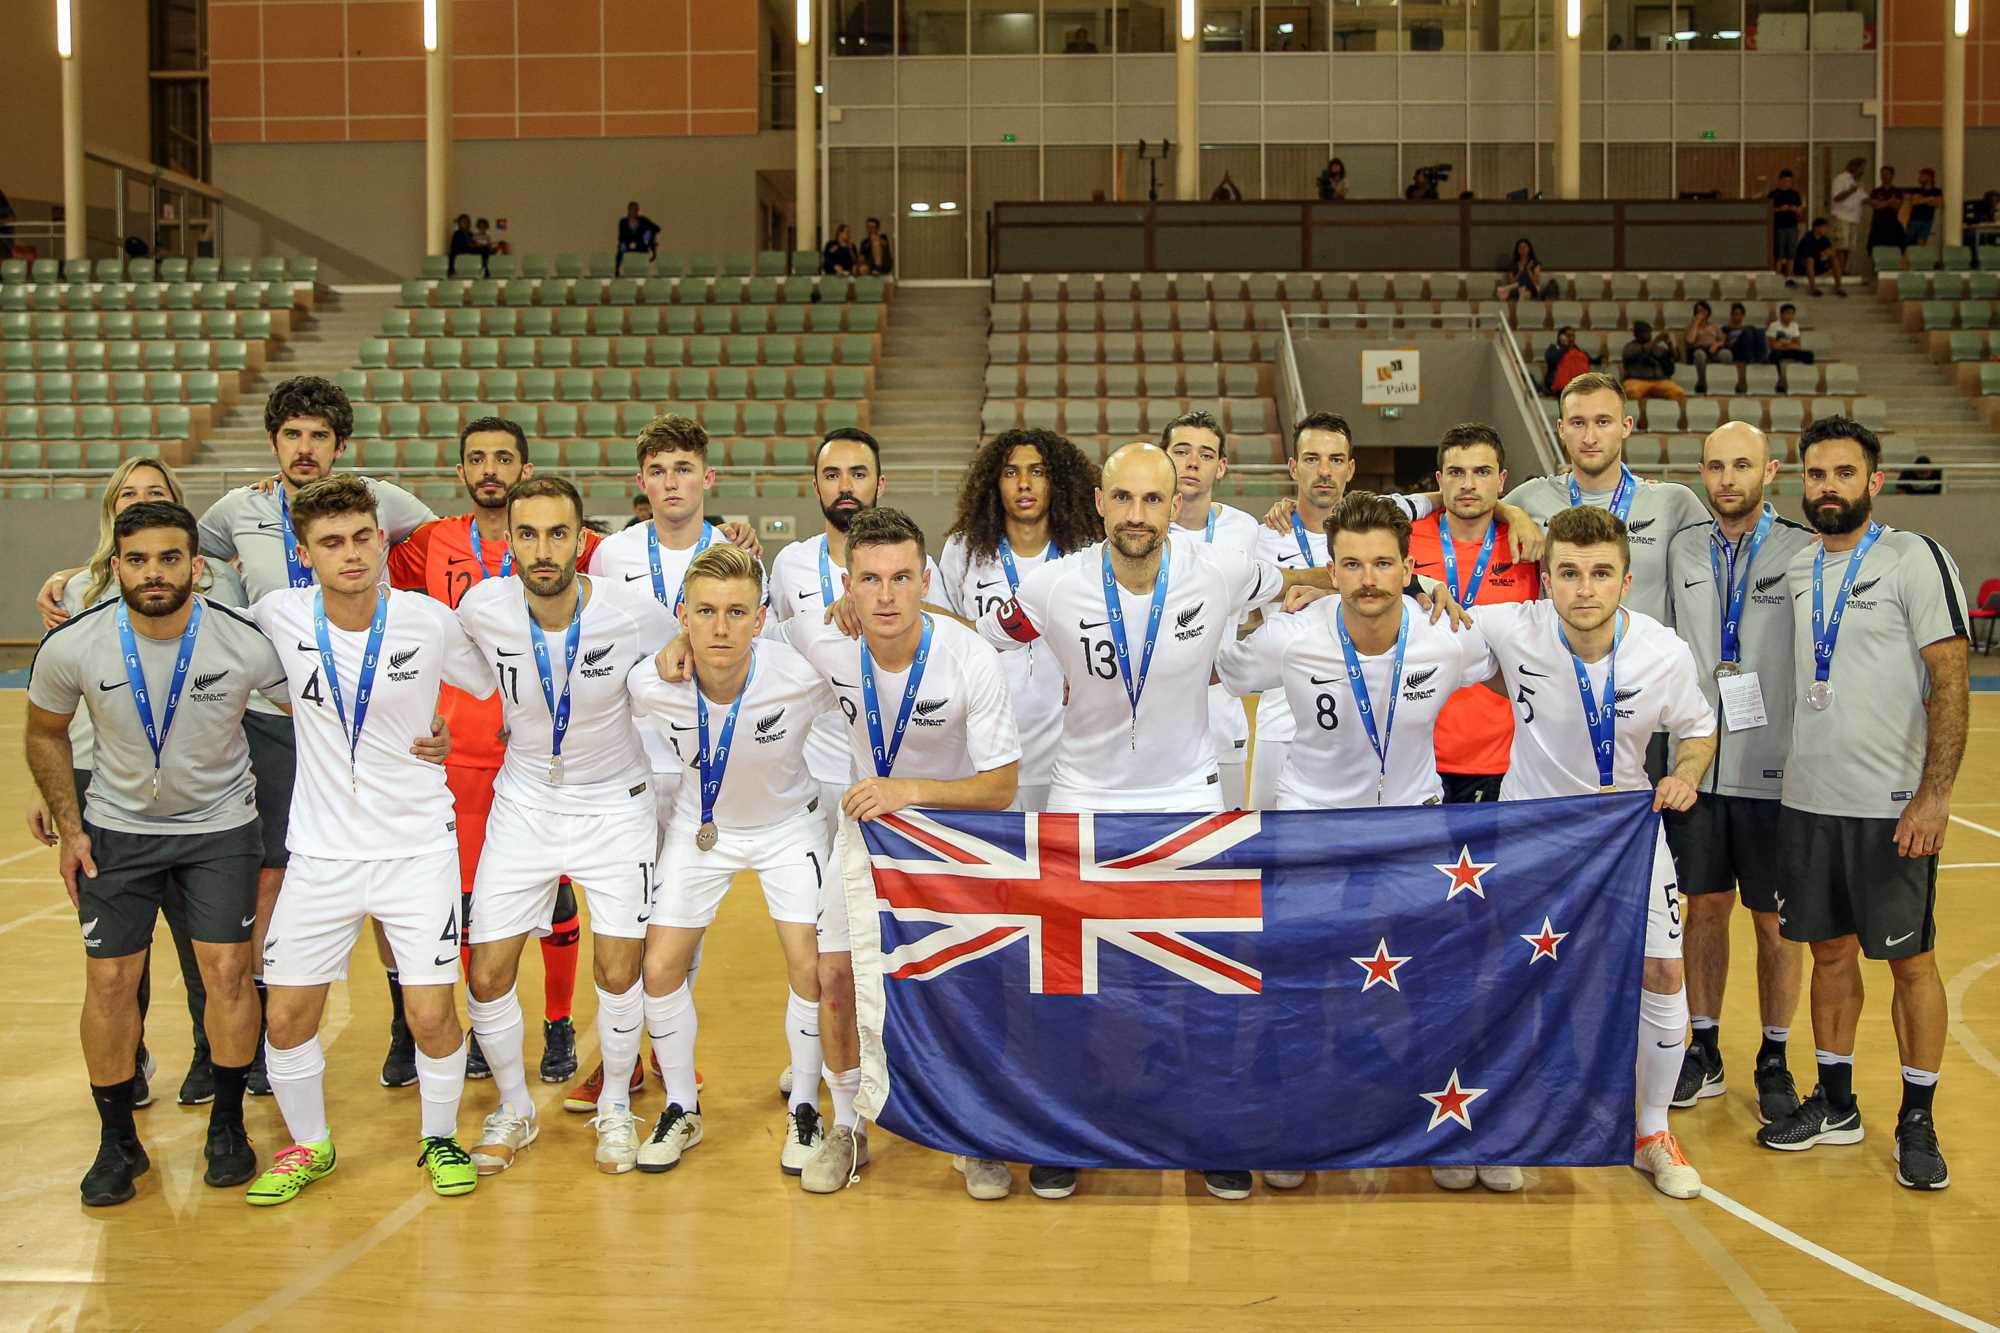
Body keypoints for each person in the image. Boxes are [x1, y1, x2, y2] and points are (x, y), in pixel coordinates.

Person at [34, 378, 445, 1092]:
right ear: (274, 442)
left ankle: (406, 1027)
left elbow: (438, 551)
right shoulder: (237, 510)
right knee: (260, 877)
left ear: (341, 446)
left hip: (341, 711)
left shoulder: (382, 501)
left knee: (382, 864)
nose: (306, 448)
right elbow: (161, 555)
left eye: (320, 436)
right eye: (293, 435)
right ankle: (238, 1040)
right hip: (253, 715)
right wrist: (78, 573)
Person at [974, 443, 1292, 1202]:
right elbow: (988, 633)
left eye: (1155, 500)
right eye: (1123, 500)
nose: (1139, 516)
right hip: (1083, 793)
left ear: (1177, 501)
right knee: (1073, 978)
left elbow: (1288, 585)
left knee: (1203, 972)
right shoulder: (1052, 585)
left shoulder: (1218, 567)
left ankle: (1209, 1132)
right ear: (1100, 501)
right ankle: (1064, 1133)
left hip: (1188, 793)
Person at [1220, 490, 1509, 1193]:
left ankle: (1450, 1129)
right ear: (1332, 566)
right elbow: (1227, 663)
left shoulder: (1446, 634)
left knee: (1433, 979)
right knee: (1303, 978)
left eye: (1384, 563)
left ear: (1410, 567)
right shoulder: (1295, 633)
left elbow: (1513, 665)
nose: (1369, 579)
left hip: (1412, 824)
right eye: (1352, 564)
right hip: (1314, 826)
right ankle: (1297, 1127)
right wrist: (1270, 601)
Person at [753, 508, 1020, 1198]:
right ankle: (847, 1125)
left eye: (901, 577)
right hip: (867, 833)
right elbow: (742, 636)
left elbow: (1001, 785)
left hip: (954, 838)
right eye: (869, 579)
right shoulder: (823, 637)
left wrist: (910, 789)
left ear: (925, 580)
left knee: (959, 983)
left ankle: (972, 1132)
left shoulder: (969, 658)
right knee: (834, 975)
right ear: (847, 583)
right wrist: (677, 649)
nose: (886, 594)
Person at [243, 477, 494, 1205]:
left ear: (380, 539)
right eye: (331, 542)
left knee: (431, 1013)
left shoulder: (426, 619)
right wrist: (71, 578)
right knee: (288, 1016)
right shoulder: (277, 614)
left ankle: (441, 1137)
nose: (350, 554)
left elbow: (485, 683)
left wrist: (446, 728)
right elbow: (177, 611)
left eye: (361, 537)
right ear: (305, 553)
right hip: (321, 854)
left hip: (417, 845)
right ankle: (309, 1146)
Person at [25, 502, 282, 1206]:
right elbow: (45, 733)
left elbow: (314, 712)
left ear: (197, 567)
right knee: (110, 981)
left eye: (170, 558)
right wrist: (71, 826)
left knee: (228, 969)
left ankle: (227, 1123)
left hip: (221, 828)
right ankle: (117, 1141)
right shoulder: (76, 644)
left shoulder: (243, 641)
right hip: (117, 830)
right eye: (137, 559)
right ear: (117, 568)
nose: (154, 572)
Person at [1470, 506, 1718, 1200]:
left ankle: (1651, 1130)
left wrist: (1688, 773)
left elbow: (1699, 728)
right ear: (1544, 579)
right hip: (1532, 834)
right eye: (1569, 573)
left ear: (1626, 580)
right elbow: (1417, 616)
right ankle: (1514, 1122)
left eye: (1601, 573)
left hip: (1625, 832)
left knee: (1664, 973)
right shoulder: (1510, 625)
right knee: (1523, 976)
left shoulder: (1663, 650)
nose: (1585, 589)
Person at [1756, 418, 1969, 1191]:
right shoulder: (1803, 567)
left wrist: (1935, 795)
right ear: (1801, 483)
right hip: (1809, 801)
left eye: (1845, 474)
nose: (1829, 488)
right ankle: (1837, 1101)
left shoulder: (1916, 558)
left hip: (1891, 808)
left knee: (1911, 960)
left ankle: (1919, 1115)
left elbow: (1950, 678)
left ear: (1873, 483)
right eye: (1816, 475)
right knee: (1831, 953)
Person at [456, 477, 677, 1177]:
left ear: (581, 539)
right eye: (528, 534)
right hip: (523, 803)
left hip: (615, 803)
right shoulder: (481, 608)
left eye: (558, 534)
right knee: (488, 971)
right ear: (510, 540)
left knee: (618, 967)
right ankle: (516, 1106)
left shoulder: (632, 612)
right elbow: (466, 682)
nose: (543, 549)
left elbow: (685, 660)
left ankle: (615, 1100)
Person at [386, 417, 606, 1090]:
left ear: (524, 468)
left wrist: (732, 536)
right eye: (476, 458)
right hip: (456, 755)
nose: (490, 469)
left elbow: (648, 564)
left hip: (541, 749)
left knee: (556, 892)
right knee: (475, 904)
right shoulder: (428, 543)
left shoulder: (573, 543)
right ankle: (483, 1029)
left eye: (504, 458)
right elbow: (351, 575)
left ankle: (559, 1021)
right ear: (460, 472)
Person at [37, 458, 249, 1109]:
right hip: (103, 783)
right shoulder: (77, 594)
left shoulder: (215, 591)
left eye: (156, 495)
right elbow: (53, 715)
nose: (142, 502)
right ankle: (126, 1060)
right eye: (129, 495)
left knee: (206, 948)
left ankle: (205, 1055)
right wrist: (59, 798)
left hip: (201, 792)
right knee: (118, 960)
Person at [568, 415, 765, 1109]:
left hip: (703, 763)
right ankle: (614, 1055)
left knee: (682, 914)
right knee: (622, 912)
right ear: (641, 481)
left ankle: (662, 1045)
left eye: (684, 468)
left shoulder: (738, 553)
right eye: (658, 470)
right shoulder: (610, 554)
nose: (672, 482)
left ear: (707, 477)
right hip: (625, 756)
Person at [622, 544, 836, 1178]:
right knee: (658, 968)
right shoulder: (651, 683)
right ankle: (681, 1106)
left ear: (761, 617)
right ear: (683, 615)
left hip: (788, 826)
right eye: (707, 612)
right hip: (700, 826)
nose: (721, 628)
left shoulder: (801, 675)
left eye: (737, 612)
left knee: (811, 966)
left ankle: (804, 1103)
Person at [1663, 423, 1816, 1127]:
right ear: (1702, 472)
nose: (1729, 478)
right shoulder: (1682, 548)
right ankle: (1705, 1047)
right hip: (1696, 765)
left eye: (1743, 465)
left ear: (1771, 471)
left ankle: (1776, 1056)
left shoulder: (1803, 550)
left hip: (1773, 769)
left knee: (1776, 921)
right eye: (1717, 466)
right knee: (1704, 909)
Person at [766, 428, 942, 841]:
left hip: (897, 763)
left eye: (858, 474)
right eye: (831, 475)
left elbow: (948, 637)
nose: (845, 487)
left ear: (880, 483)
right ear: (815, 486)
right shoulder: (790, 562)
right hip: (814, 762)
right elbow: (770, 645)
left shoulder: (919, 562)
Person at [938, 427, 1101, 815]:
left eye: (1038, 472)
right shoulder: (962, 551)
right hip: (985, 752)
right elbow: (942, 636)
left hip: (1069, 754)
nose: (1024, 484)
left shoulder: (1086, 553)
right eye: (1011, 473)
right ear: (994, 483)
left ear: (1057, 481)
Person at [1505, 374, 1709, 629]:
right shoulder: (1530, 498)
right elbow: (1460, 510)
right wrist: (1510, 513)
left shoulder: (1674, 502)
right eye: (1578, 423)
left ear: (1626, 426)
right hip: (1562, 665)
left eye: (1603, 422)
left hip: (1644, 665)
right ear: (1561, 429)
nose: (1590, 437)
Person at [1407, 424, 1541, 807]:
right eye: (1456, 472)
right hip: (1413, 751)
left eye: (1482, 472)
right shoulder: (1402, 538)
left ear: (1501, 480)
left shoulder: (1528, 546)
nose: (1468, 484)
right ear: (1439, 480)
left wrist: (1513, 514)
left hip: (1500, 754)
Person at [1160, 410, 1261, 807]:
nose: (1192, 462)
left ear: (1221, 467)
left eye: (1205, 454)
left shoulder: (1246, 529)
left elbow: (1271, 593)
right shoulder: (1139, 529)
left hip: (1220, 706)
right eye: (1181, 451)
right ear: (1163, 457)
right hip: (1155, 709)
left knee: (1227, 842)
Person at [1619, 322, 1686, 404]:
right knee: (1631, 392)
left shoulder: (1659, 348)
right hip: (1636, 380)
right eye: (1643, 332)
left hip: (1659, 381)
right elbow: (1641, 350)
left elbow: (1675, 358)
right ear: (1636, 334)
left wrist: (1669, 344)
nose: (1646, 334)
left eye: (1648, 332)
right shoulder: (1630, 347)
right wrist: (1657, 340)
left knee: (1678, 393)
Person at [1829, 156, 1866, 284]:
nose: (1862, 171)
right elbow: (1836, 198)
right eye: (1861, 168)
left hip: (1854, 218)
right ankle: (1838, 270)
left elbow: (1864, 198)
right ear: (1854, 167)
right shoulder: (1840, 179)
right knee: (1841, 246)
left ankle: (1843, 269)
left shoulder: (1857, 182)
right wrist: (1850, 191)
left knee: (1849, 247)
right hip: (1841, 217)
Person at [1765, 302, 1814, 392]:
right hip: (1778, 351)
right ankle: (1779, 381)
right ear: (1781, 314)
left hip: (1789, 351)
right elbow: (1773, 345)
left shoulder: (1794, 326)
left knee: (1809, 355)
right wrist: (1789, 344)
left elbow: (1797, 345)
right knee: (1774, 355)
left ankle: (1805, 380)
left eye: (1792, 313)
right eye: (1788, 313)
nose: (1790, 316)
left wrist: (1783, 343)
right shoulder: (1774, 325)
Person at [1684, 301, 1731, 395]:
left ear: (1708, 312)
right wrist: (1696, 322)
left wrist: (1717, 344)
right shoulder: (1691, 325)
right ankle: (1702, 382)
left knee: (1727, 354)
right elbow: (1690, 341)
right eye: (1698, 311)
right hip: (1698, 350)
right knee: (1700, 354)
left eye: (1703, 311)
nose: (1701, 313)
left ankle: (1723, 383)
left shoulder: (1713, 326)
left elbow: (1723, 340)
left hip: (1712, 351)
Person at [1766, 169, 1804, 282]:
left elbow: (1800, 210)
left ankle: (1789, 276)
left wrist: (1794, 209)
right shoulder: (1773, 194)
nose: (1787, 183)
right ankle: (1777, 276)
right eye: (1785, 181)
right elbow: (1767, 210)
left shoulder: (1795, 194)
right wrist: (1779, 209)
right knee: (1779, 252)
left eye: (1789, 181)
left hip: (1792, 226)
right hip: (1779, 226)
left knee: (1791, 252)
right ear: (1780, 180)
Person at [1793, 217, 1841, 298]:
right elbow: (1807, 255)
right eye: (1825, 227)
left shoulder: (1825, 239)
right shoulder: (1807, 239)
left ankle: (1838, 287)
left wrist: (1829, 253)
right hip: (1803, 268)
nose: (1826, 229)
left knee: (1834, 259)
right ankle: (1813, 288)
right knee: (1810, 260)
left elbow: (1830, 251)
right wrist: (1822, 253)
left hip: (1818, 266)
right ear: (1816, 227)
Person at [1866, 165, 1906, 259]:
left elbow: (1897, 207)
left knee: (1897, 248)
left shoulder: (1897, 191)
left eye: (1887, 174)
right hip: (1878, 224)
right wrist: (1889, 201)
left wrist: (1883, 203)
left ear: (1892, 175)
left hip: (1892, 223)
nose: (1884, 176)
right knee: (1875, 249)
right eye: (1882, 174)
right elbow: (1877, 206)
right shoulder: (1875, 191)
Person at [1544, 325, 1590, 396]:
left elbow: (1588, 359)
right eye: (1568, 336)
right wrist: (1564, 346)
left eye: (1573, 336)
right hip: (1558, 384)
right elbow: (1552, 360)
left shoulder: (1577, 351)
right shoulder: (1554, 348)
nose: (1571, 338)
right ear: (1561, 337)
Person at [616, 202, 659, 275]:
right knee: (621, 248)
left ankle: (643, 270)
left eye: (635, 210)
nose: (633, 212)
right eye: (631, 210)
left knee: (647, 239)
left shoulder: (643, 220)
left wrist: (647, 234)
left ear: (638, 211)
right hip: (627, 245)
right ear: (628, 210)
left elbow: (656, 228)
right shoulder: (623, 222)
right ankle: (617, 270)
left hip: (641, 245)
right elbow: (621, 236)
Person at [1721, 301, 1769, 367]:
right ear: (1732, 315)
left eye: (1740, 314)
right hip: (1735, 349)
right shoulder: (1726, 328)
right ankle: (1750, 359)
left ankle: (1762, 358)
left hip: (1747, 347)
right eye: (1736, 314)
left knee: (1760, 331)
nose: (1738, 316)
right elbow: (1723, 343)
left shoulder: (1748, 328)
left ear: (1743, 316)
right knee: (1747, 331)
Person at [1495, 238, 1543, 302]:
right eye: (1520, 247)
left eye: (1524, 247)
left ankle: (1506, 289)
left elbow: (1536, 281)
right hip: (1518, 290)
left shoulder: (1534, 263)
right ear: (1517, 250)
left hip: (1532, 288)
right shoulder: (1513, 264)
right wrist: (1519, 272)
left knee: (1525, 275)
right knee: (1519, 287)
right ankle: (1521, 294)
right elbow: (1511, 282)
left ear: (1529, 249)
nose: (1522, 249)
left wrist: (1528, 270)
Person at [1905, 168, 1942, 249]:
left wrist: (1922, 199)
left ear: (1929, 177)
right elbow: (1914, 202)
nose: (1919, 178)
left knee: (1921, 244)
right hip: (1914, 220)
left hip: (1927, 221)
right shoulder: (1917, 190)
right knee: (1907, 242)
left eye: (1922, 176)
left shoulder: (1937, 191)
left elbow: (1938, 204)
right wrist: (1930, 199)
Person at [447, 213, 486, 277]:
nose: (465, 223)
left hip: (469, 249)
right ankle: (451, 270)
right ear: (459, 224)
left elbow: (474, 242)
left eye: (467, 222)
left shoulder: (470, 233)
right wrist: (472, 245)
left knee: (484, 249)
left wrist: (478, 245)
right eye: (463, 222)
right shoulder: (457, 234)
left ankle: (484, 269)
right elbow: (457, 245)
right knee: (452, 254)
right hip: (459, 250)